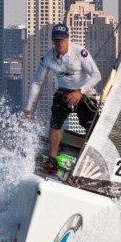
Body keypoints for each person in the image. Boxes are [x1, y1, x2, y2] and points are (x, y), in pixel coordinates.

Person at [23, 23, 101, 173]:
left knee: (92, 126)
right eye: (57, 40)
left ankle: (92, 160)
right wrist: (28, 109)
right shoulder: (48, 57)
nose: (60, 43)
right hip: (64, 93)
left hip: (85, 94)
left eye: (63, 39)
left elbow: (96, 75)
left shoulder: (80, 52)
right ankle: (52, 160)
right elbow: (37, 83)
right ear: (53, 41)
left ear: (68, 39)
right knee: (55, 121)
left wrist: (80, 92)